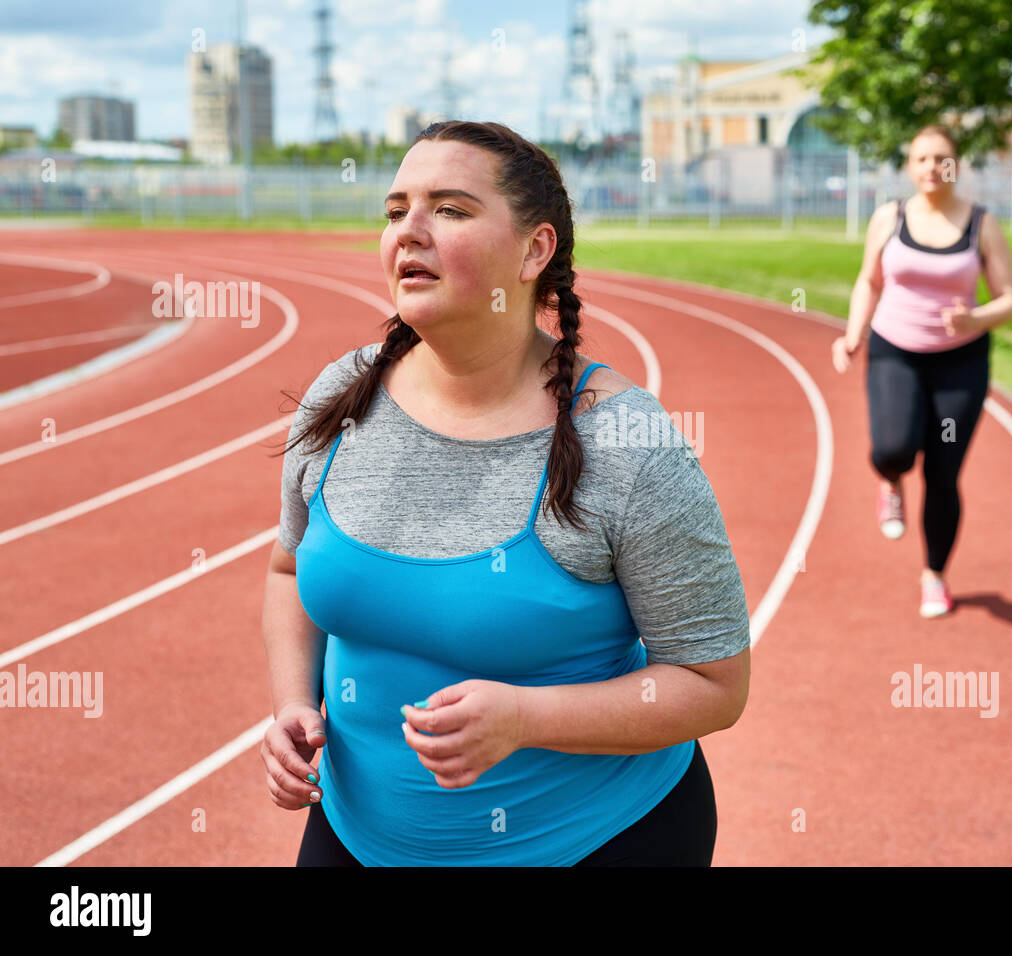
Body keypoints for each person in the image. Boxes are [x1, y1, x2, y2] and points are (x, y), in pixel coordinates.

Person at [260, 120, 751, 866]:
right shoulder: (342, 396)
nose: (408, 233)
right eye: (396, 212)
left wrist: (526, 717)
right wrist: (293, 703)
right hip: (355, 839)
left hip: (594, 842)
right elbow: (289, 569)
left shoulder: (624, 441)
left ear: (535, 251)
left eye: (450, 210)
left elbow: (714, 684)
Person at [831, 124, 1012, 617]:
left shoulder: (982, 224)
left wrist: (974, 317)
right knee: (892, 447)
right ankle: (889, 481)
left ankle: (934, 575)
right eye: (921, 159)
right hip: (896, 350)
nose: (932, 168)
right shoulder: (888, 218)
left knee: (943, 472)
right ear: (909, 167)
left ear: (957, 165)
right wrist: (854, 334)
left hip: (961, 362)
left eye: (942, 159)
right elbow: (867, 282)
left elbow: (1010, 299)